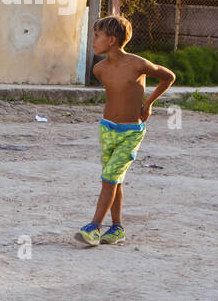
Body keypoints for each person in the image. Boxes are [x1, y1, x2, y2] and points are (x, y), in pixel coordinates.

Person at [75, 15, 175, 246]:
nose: (93, 41)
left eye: (97, 36)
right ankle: (117, 227)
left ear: (111, 40)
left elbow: (168, 77)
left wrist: (148, 103)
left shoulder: (137, 64)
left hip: (131, 132)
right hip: (107, 129)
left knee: (109, 178)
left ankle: (94, 227)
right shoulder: (99, 69)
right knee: (114, 181)